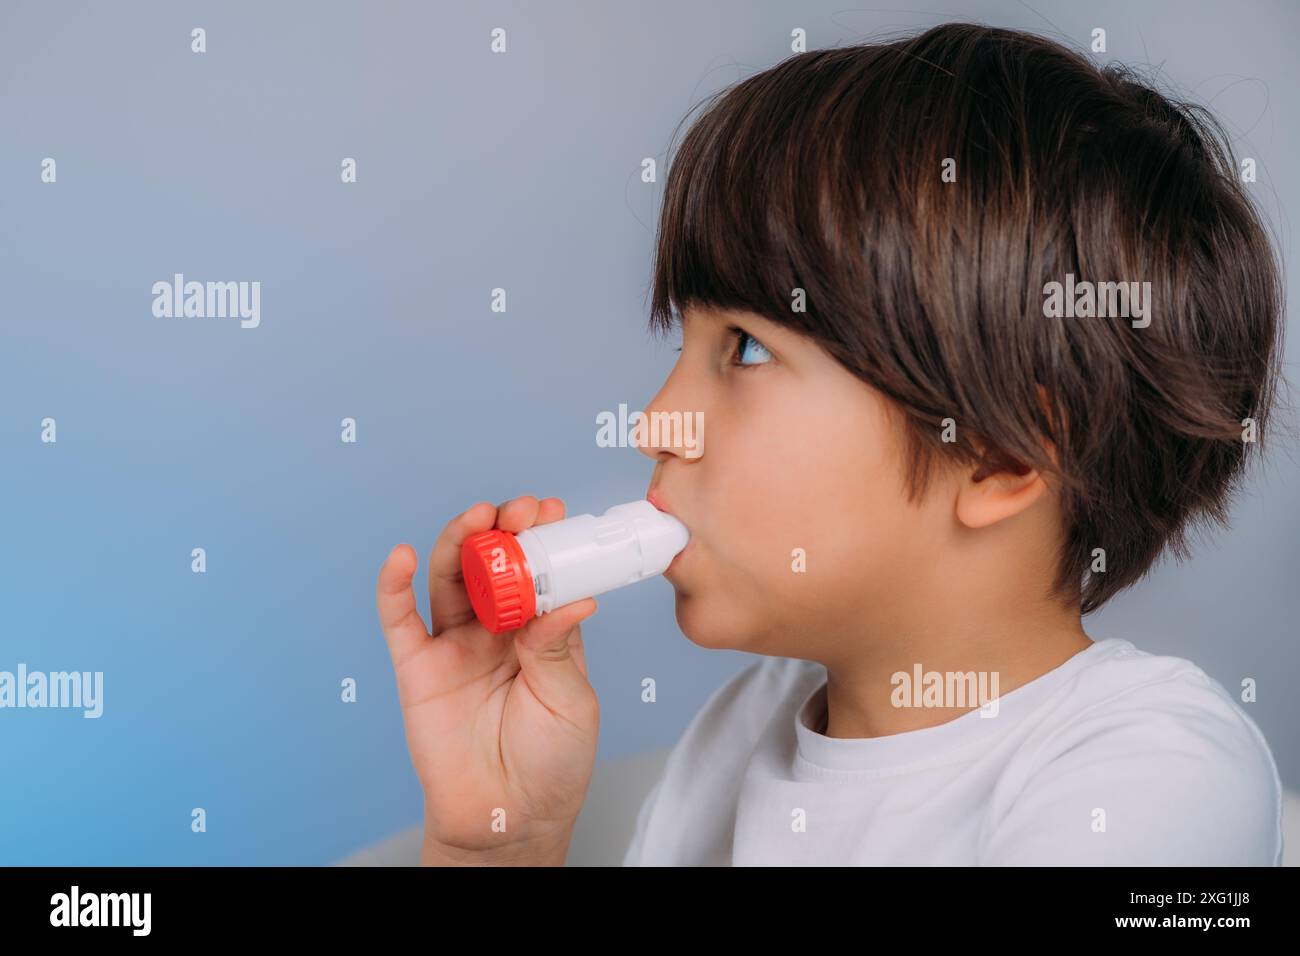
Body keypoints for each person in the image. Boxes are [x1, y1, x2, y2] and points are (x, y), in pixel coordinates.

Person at [376, 23, 1284, 866]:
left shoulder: (1156, 773)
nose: (656, 420)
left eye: (748, 347)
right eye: (682, 344)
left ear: (1001, 455)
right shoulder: (743, 730)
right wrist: (502, 839)